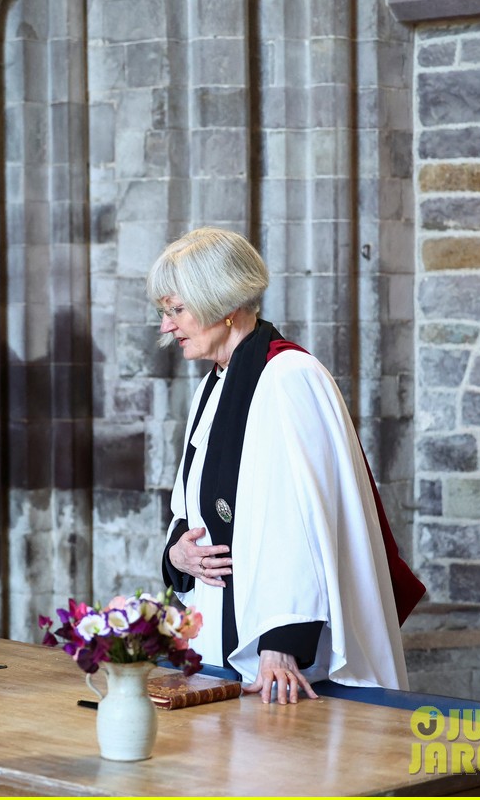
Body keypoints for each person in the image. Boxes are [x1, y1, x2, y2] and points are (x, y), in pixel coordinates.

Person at [149, 227, 425, 705]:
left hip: (281, 657)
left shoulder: (289, 376)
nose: (166, 327)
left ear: (224, 302)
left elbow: (302, 519)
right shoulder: (214, 384)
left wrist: (281, 643)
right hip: (217, 633)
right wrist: (178, 555)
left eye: (176, 309)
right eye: (164, 312)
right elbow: (188, 506)